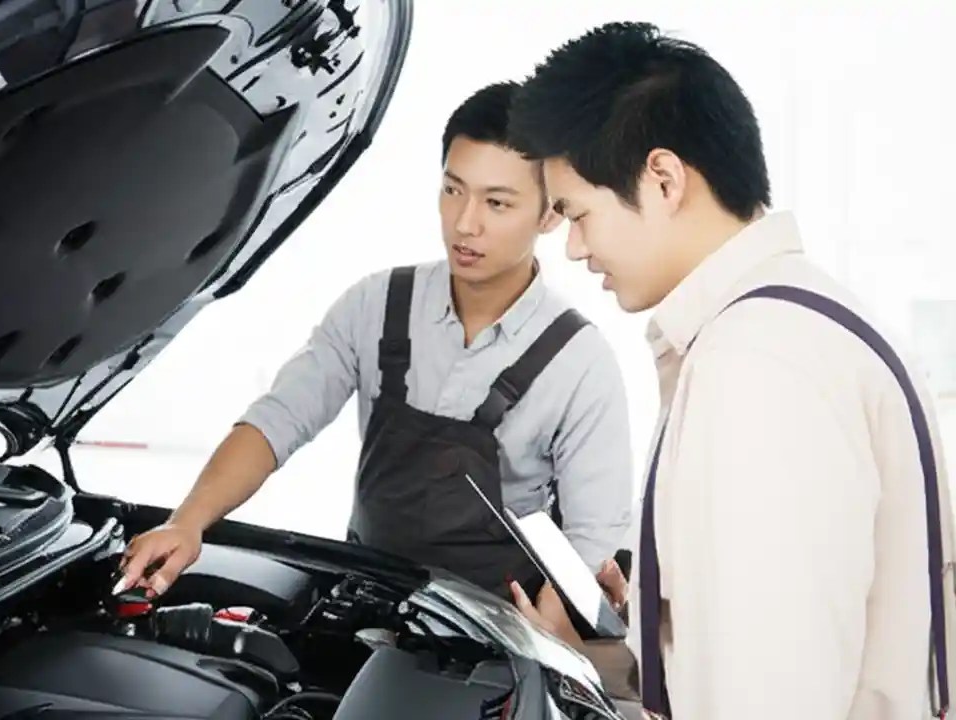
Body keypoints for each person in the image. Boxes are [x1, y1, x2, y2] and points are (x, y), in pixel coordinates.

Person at [505, 20, 956, 720]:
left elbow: (771, 700)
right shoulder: (795, 325)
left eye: (578, 213)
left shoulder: (758, 365)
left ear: (662, 178)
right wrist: (609, 661)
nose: (574, 247)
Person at [114, 80, 634, 603]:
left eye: (497, 203)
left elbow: (591, 543)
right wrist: (188, 521)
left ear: (550, 214)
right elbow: (279, 420)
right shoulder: (376, 305)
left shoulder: (579, 362)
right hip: (362, 603)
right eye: (453, 190)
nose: (464, 223)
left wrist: (546, 635)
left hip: (497, 627)